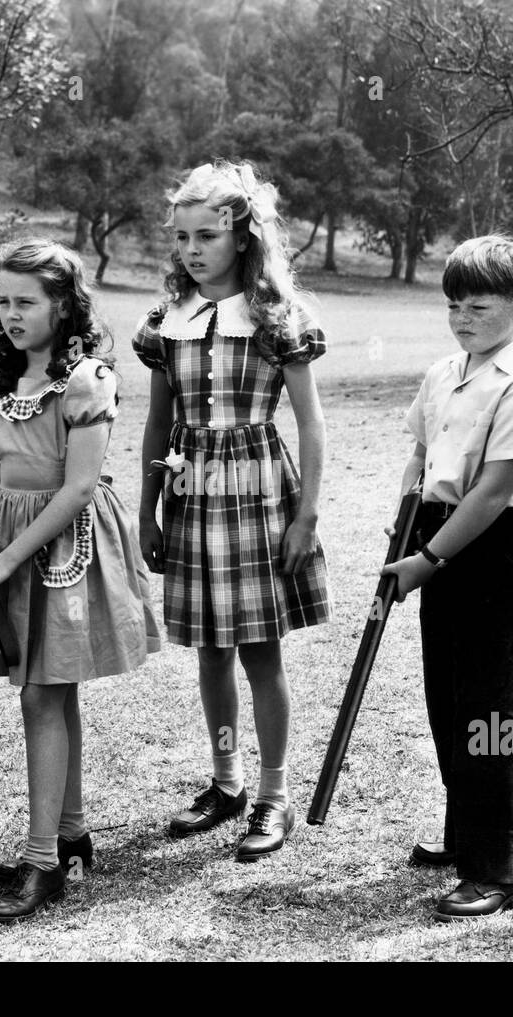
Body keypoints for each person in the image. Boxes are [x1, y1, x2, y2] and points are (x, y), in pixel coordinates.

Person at [0, 238, 160, 921]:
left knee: (43, 693)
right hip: (8, 544)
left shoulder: (85, 382)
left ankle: (43, 862)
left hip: (62, 545)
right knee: (46, 689)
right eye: (2, 300)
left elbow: (76, 489)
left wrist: (11, 558)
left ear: (64, 305)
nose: (11, 313)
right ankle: (70, 835)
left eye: (27, 301)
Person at [133, 160, 329, 861]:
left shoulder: (277, 319)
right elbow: (159, 426)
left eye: (208, 235)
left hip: (257, 497)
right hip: (192, 499)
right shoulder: (168, 322)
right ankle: (227, 781)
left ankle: (274, 795)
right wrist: (147, 509)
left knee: (258, 650)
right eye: (182, 236)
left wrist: (306, 514)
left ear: (242, 237)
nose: (192, 249)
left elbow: (309, 424)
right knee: (210, 651)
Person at [381, 234, 513, 921]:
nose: (463, 317)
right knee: (450, 698)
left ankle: (498, 862)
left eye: (479, 305)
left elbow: (493, 490)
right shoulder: (442, 373)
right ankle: (465, 832)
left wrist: (427, 561)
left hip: (495, 553)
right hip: (437, 538)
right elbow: (421, 458)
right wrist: (407, 531)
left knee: (496, 713)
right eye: (453, 304)